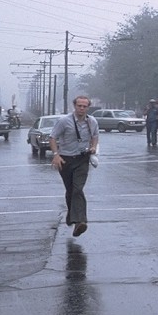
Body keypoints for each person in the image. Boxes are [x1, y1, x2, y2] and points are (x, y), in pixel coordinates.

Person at [49, 95, 99, 237]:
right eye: (79, 106)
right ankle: (72, 215)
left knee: (78, 189)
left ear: (88, 107)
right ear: (75, 106)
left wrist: (93, 147)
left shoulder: (92, 121)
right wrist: (56, 155)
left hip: (82, 159)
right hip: (65, 159)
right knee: (70, 189)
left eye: (84, 106)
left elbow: (95, 136)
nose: (82, 108)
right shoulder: (64, 121)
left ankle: (80, 222)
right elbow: (52, 137)